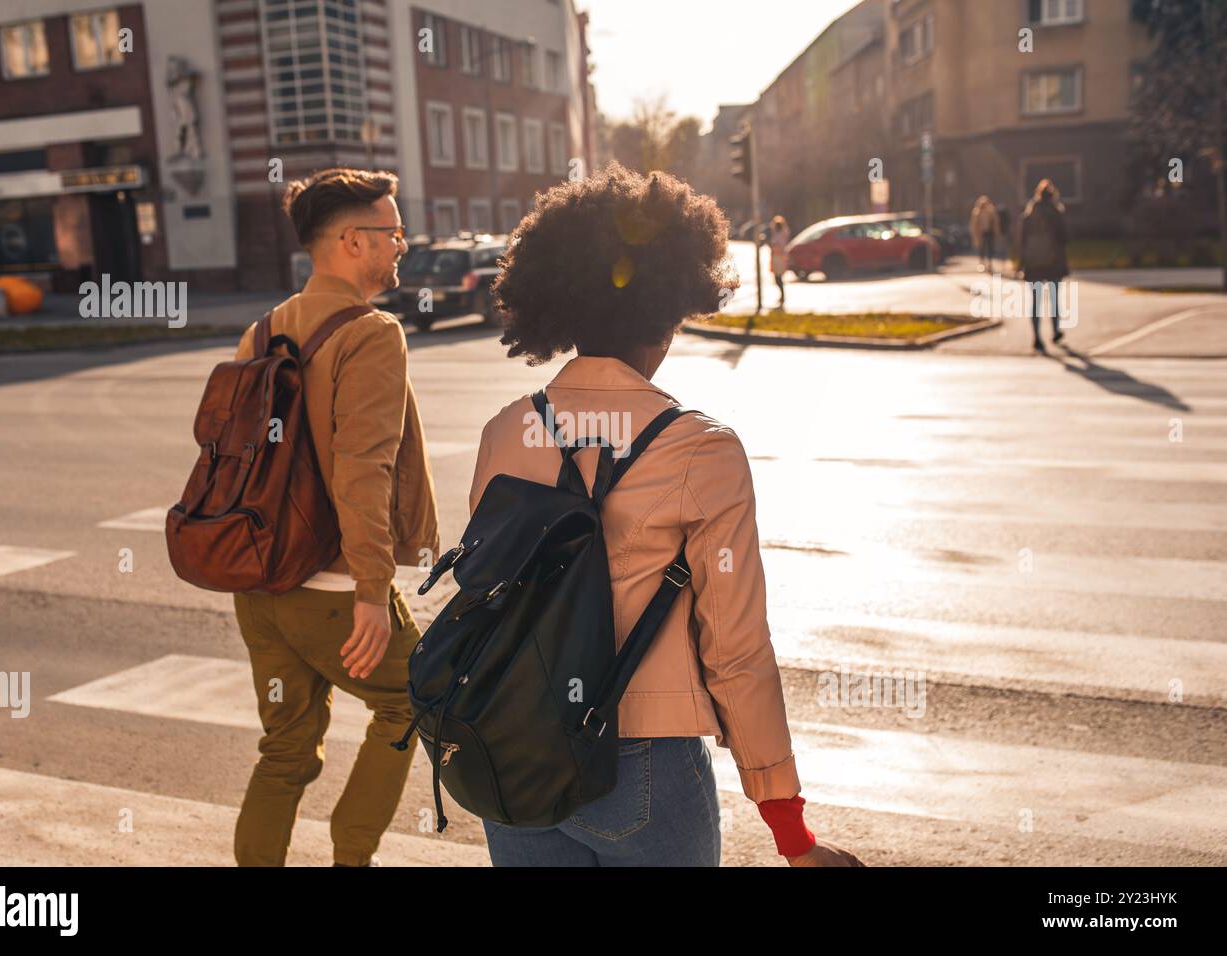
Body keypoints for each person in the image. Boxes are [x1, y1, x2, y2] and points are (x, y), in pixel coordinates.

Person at [469, 162, 863, 867]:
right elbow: (737, 651)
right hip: (640, 764)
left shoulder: (506, 431)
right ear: (668, 310)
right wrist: (791, 833)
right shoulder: (700, 450)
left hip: (512, 748)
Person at [230, 168, 439, 866]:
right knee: (413, 701)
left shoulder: (260, 331)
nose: (401, 246)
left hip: (259, 581)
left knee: (284, 749)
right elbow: (363, 472)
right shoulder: (371, 332)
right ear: (352, 240)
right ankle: (352, 858)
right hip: (330, 584)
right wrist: (372, 592)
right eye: (393, 233)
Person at [1018, 179, 1070, 353]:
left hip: (1033, 263)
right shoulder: (1056, 212)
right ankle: (1055, 331)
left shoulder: (1029, 215)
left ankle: (1036, 337)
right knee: (1054, 299)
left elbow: (1022, 241)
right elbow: (1064, 238)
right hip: (1053, 262)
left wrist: (1021, 262)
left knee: (1036, 301)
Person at [969, 195, 1000, 273]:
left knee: (990, 248)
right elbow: (974, 224)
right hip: (981, 233)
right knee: (981, 248)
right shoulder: (977, 212)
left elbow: (995, 223)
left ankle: (989, 264)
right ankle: (982, 263)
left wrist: (997, 232)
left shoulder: (991, 211)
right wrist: (974, 234)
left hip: (989, 232)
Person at [768, 215, 793, 308]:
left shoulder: (782, 234)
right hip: (775, 257)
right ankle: (782, 296)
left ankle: (782, 296)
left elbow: (780, 245)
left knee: (778, 278)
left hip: (779, 258)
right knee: (777, 278)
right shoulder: (776, 234)